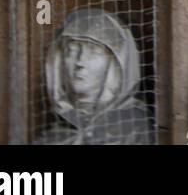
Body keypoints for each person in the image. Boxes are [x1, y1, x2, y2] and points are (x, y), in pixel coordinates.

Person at [36, 9, 154, 146]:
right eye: (73, 50)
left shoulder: (134, 126)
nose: (79, 62)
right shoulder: (59, 129)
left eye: (94, 52)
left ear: (115, 64)